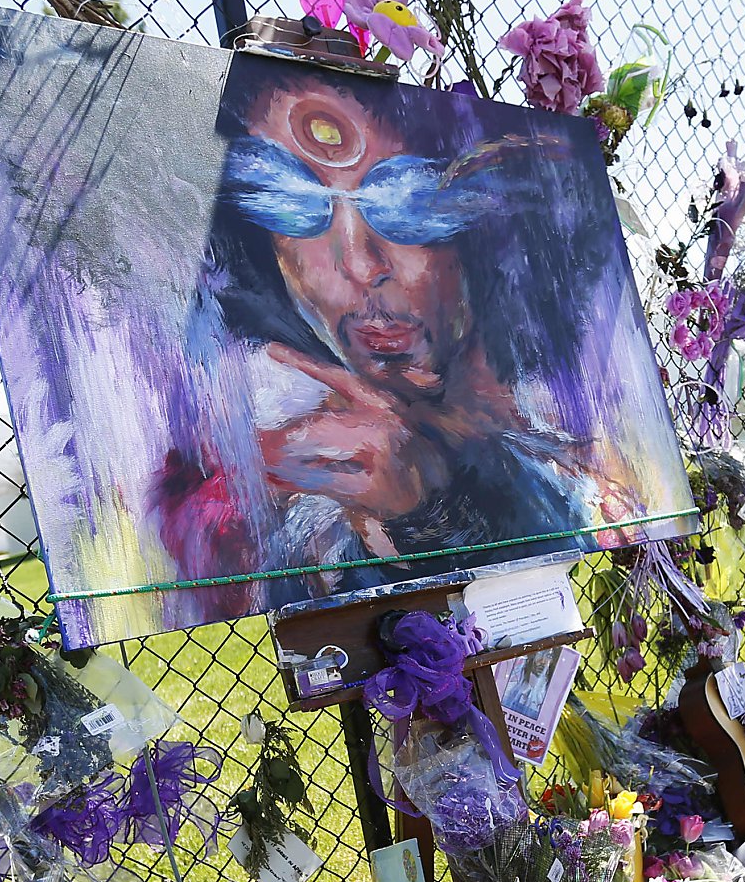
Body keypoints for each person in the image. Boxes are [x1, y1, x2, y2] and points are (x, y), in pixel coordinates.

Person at [155, 64, 675, 619]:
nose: (359, 264)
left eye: (411, 206)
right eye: (292, 207)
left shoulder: (586, 426)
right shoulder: (274, 450)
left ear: (486, 226)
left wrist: (426, 508)